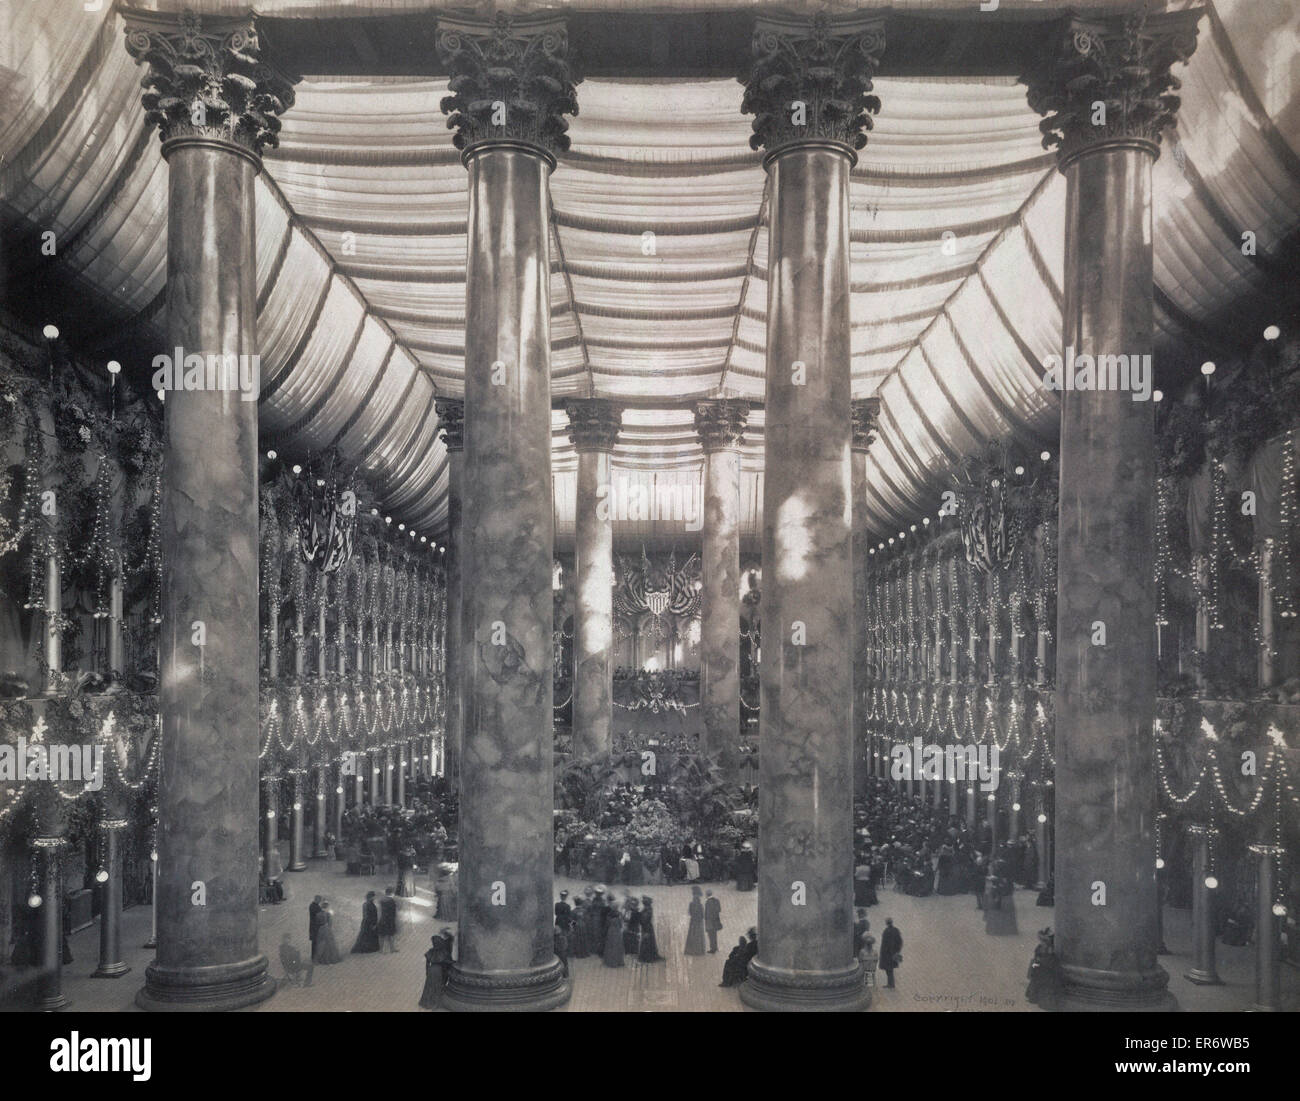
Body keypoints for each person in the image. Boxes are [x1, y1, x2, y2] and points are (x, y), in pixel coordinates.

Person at [1025, 927, 1063, 1010]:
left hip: (1045, 970)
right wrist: (1034, 966)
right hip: (1040, 968)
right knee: (1037, 982)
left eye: (1044, 941)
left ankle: (1044, 1002)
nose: (1042, 942)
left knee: (1045, 985)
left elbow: (1050, 960)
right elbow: (1036, 958)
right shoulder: (1040, 947)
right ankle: (1036, 997)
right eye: (1042, 940)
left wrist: (1039, 962)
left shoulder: (1050, 949)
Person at [419, 930, 452, 1010]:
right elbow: (446, 964)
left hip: (431, 970)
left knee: (429, 986)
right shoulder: (443, 953)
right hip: (439, 971)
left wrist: (427, 972)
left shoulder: (431, 951)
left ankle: (427, 1002)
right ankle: (435, 1003)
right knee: (437, 986)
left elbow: (427, 964)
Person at [602, 891, 625, 968]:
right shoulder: (620, 915)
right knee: (617, 945)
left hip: (610, 931)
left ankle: (610, 961)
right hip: (617, 932)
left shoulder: (609, 915)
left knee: (610, 946)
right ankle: (618, 961)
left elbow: (607, 924)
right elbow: (621, 925)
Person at [637, 896, 663, 962]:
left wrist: (640, 916)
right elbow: (643, 919)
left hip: (646, 927)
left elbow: (644, 919)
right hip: (647, 927)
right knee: (648, 941)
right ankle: (647, 956)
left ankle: (647, 957)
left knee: (647, 941)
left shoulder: (647, 909)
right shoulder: (647, 909)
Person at [879, 917, 902, 989]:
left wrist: (882, 954)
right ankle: (891, 983)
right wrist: (897, 951)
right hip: (893, 953)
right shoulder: (896, 930)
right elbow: (900, 942)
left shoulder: (886, 931)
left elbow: (884, 945)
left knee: (888, 969)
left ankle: (891, 984)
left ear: (886, 923)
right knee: (890, 969)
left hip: (887, 955)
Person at [684, 885, 706, 956]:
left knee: (692, 935)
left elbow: (690, 913)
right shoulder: (700, 905)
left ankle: (691, 950)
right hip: (698, 922)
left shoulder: (691, 904)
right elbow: (702, 915)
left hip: (693, 921)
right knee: (698, 936)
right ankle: (698, 950)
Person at [378, 887, 400, 952]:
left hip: (383, 919)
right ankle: (392, 949)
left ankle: (381, 949)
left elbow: (379, 911)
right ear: (391, 893)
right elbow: (394, 912)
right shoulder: (392, 901)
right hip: (390, 920)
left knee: (382, 935)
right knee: (391, 935)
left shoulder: (382, 901)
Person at [704, 889, 722, 953]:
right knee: (714, 935)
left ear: (707, 895)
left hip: (710, 922)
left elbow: (708, 913)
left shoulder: (708, 902)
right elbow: (719, 909)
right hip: (716, 921)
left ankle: (713, 949)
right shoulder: (716, 900)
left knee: (711, 936)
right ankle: (715, 947)